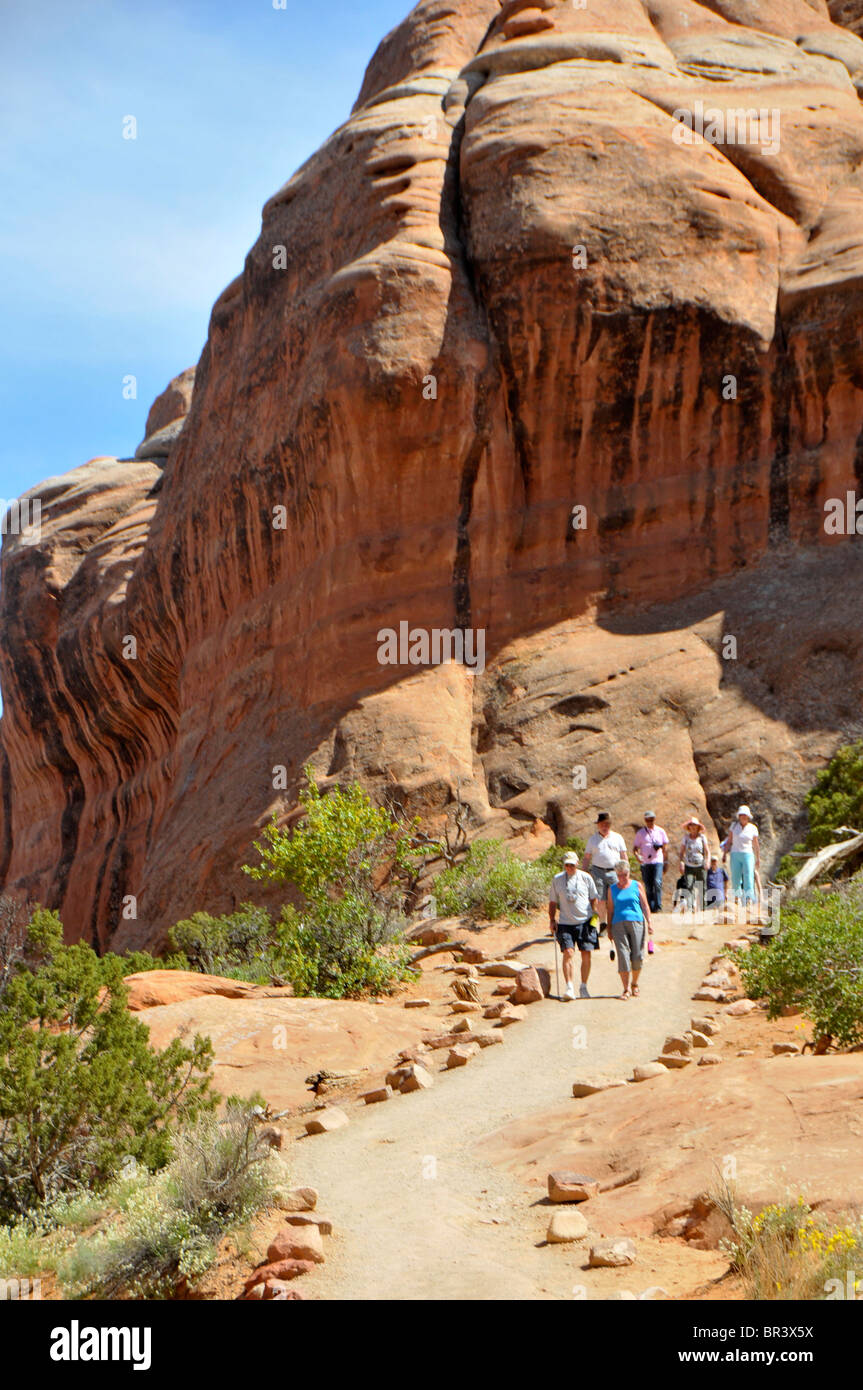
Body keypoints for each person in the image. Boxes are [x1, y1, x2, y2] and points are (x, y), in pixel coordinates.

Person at [548, 850, 600, 1000]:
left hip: (585, 921)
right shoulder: (557, 879)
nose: (569, 867)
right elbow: (552, 902)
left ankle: (583, 986)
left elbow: (593, 898)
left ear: (577, 863)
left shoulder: (586, 877)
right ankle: (569, 987)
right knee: (568, 953)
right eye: (567, 864)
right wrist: (552, 919)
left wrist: (595, 917)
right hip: (565, 922)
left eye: (572, 864)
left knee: (586, 954)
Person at [606, 861, 652, 999]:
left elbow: (645, 906)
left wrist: (649, 922)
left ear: (629, 873)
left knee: (637, 956)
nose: (622, 878)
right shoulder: (612, 889)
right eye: (619, 875)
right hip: (618, 924)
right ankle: (626, 989)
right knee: (623, 955)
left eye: (624, 874)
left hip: (637, 922)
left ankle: (635, 983)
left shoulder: (636, 885)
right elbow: (610, 910)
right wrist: (608, 928)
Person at [583, 812, 628, 931]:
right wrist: (584, 872)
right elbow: (587, 857)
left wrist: (626, 870)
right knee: (601, 899)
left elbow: (623, 855)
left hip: (615, 871)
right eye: (602, 824)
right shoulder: (593, 839)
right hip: (598, 871)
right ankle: (603, 923)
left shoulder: (617, 837)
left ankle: (617, 921)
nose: (605, 826)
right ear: (598, 825)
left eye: (607, 824)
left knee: (617, 896)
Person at [721, 805, 760, 915]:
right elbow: (729, 841)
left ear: (748, 816)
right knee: (735, 876)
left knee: (748, 876)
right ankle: (737, 899)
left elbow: (756, 844)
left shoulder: (752, 828)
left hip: (748, 853)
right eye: (741, 815)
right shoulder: (734, 826)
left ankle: (748, 900)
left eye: (745, 815)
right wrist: (724, 853)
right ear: (739, 816)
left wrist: (758, 858)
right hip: (735, 853)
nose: (743, 817)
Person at [633, 811, 669, 912]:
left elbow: (665, 846)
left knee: (657, 882)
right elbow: (635, 848)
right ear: (645, 820)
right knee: (648, 885)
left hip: (658, 860)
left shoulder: (660, 831)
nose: (650, 822)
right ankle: (650, 906)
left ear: (654, 819)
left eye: (651, 819)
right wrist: (637, 856)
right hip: (646, 862)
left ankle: (658, 906)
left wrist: (666, 861)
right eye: (648, 820)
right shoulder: (641, 833)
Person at [678, 816, 709, 913]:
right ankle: (691, 908)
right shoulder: (686, 838)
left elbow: (707, 851)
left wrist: (707, 861)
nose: (693, 827)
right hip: (689, 865)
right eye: (691, 825)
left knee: (702, 886)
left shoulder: (702, 837)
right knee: (689, 885)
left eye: (695, 825)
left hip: (700, 865)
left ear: (698, 827)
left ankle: (703, 907)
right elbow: (682, 851)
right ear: (689, 827)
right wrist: (681, 862)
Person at [705, 855, 729, 920]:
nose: (714, 863)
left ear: (717, 862)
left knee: (720, 913)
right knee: (710, 914)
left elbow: (726, 880)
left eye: (715, 861)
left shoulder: (721, 871)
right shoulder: (707, 872)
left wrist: (726, 893)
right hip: (710, 896)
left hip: (720, 896)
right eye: (712, 861)